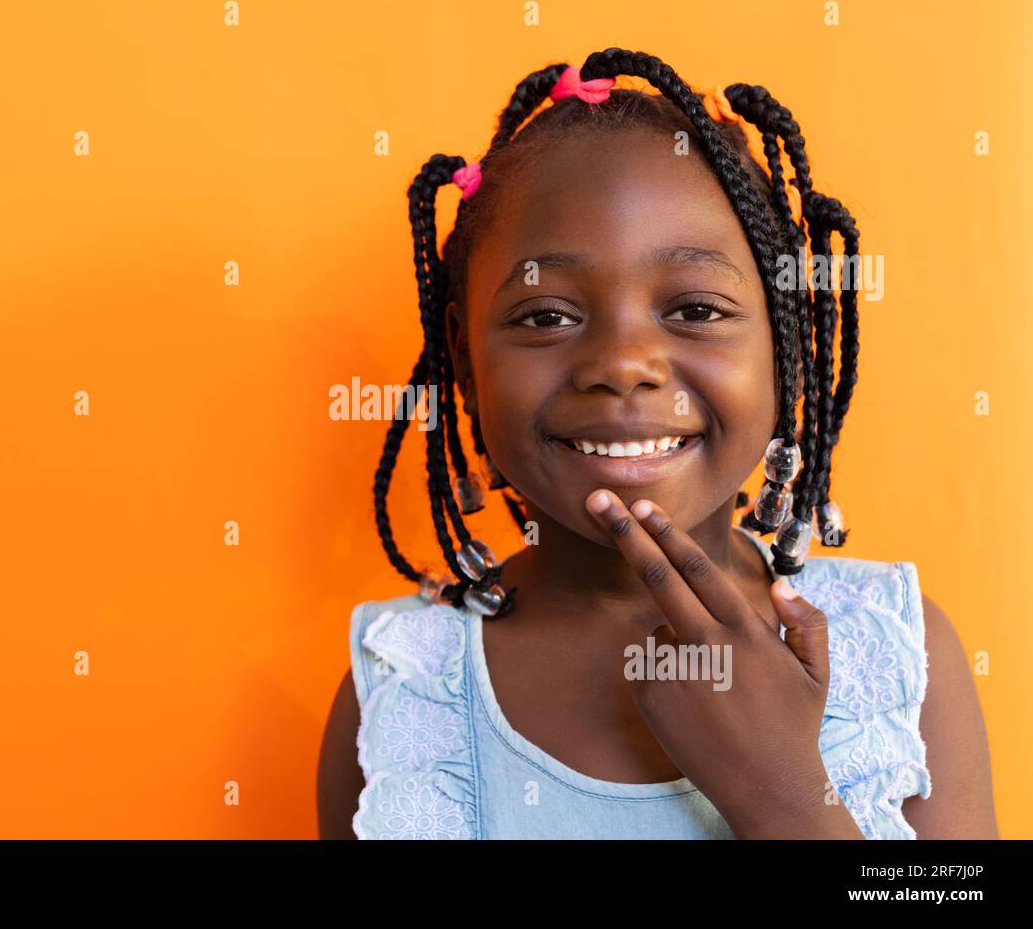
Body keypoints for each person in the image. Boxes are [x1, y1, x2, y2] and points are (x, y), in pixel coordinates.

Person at [316, 49, 997, 839]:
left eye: (697, 310)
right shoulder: (402, 690)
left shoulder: (894, 652)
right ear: (465, 367)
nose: (622, 366)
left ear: (787, 350)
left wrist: (780, 794)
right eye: (545, 316)